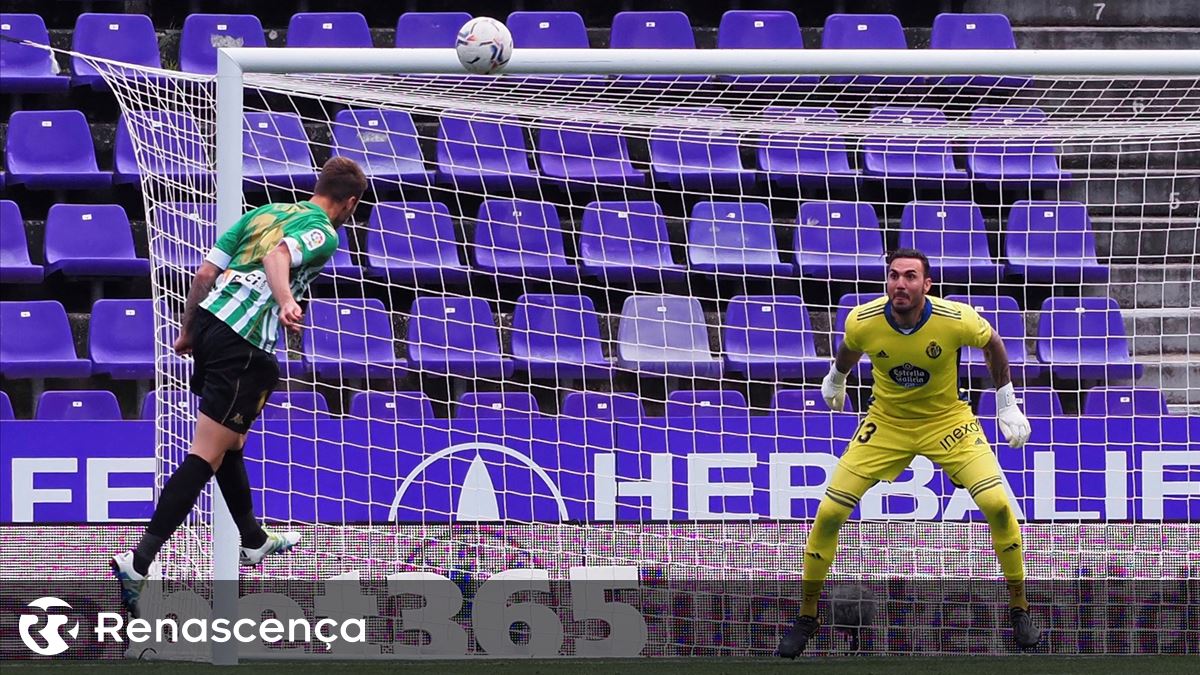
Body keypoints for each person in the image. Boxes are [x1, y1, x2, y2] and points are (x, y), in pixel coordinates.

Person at [111, 157, 368, 616]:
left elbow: (205, 275)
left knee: (231, 440)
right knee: (206, 453)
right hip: (244, 342)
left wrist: (188, 330)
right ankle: (139, 560)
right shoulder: (324, 231)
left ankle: (251, 539)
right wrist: (287, 301)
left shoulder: (262, 213)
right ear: (349, 202)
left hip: (211, 325)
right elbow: (277, 257)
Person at [777, 248, 1041, 657]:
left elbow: (994, 344)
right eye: (894, 276)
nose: (901, 284)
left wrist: (1006, 402)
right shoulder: (863, 319)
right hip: (887, 424)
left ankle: (1019, 607)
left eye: (910, 277)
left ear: (927, 284)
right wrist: (835, 377)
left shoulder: (956, 319)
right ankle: (808, 615)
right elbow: (850, 347)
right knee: (829, 513)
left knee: (998, 507)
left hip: (949, 422)